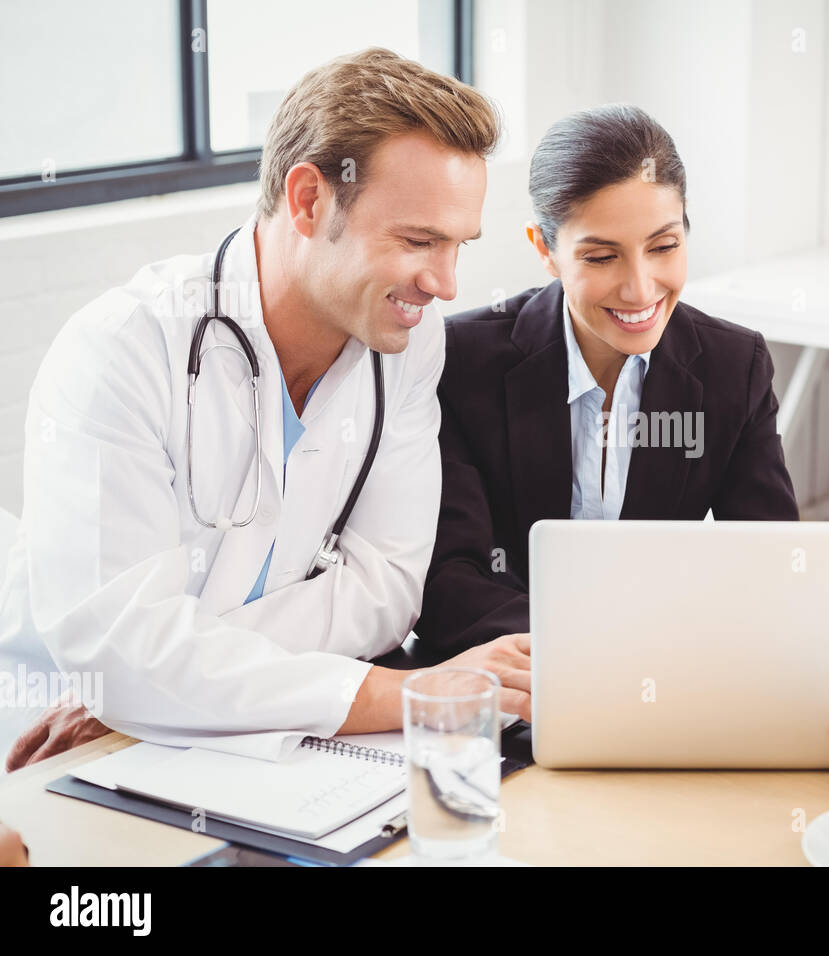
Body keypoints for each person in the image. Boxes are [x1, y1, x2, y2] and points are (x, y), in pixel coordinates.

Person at [0, 48, 531, 769]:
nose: (444, 282)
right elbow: (119, 651)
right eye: (417, 241)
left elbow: (387, 585)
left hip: (245, 735)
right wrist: (406, 692)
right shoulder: (120, 350)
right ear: (310, 201)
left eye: (458, 245)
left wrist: (180, 672)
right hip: (62, 740)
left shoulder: (406, 340)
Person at [415, 105, 799, 660]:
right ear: (545, 250)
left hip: (665, 673)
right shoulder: (461, 361)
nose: (641, 290)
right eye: (600, 256)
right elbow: (449, 580)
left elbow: (770, 561)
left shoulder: (733, 366)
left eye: (664, 247)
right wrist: (592, 650)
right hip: (516, 673)